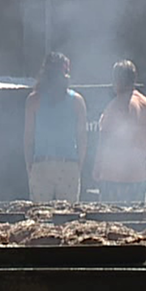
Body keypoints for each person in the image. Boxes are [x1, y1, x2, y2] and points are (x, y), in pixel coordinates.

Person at [23, 52, 88, 202]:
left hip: (41, 165)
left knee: (39, 220)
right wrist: (78, 166)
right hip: (68, 165)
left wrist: (30, 167)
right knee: (68, 220)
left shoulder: (33, 100)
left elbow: (28, 139)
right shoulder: (77, 101)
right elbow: (82, 139)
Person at [93, 60, 146, 203]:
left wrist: (97, 166)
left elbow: (106, 139)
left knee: (114, 222)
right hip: (140, 175)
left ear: (117, 80)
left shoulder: (118, 105)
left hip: (116, 177)